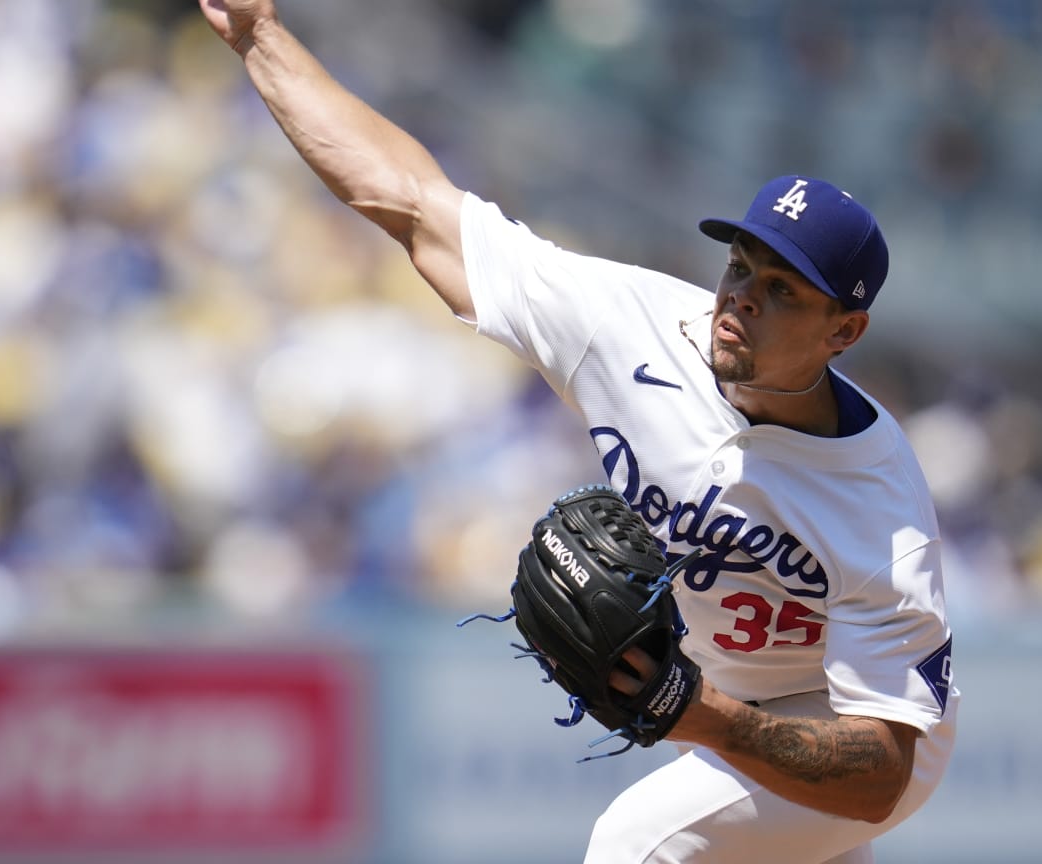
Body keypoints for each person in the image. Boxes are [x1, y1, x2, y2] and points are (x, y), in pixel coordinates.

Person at [198, 2, 958, 862]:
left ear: (843, 334)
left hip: (858, 731)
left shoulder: (879, 506)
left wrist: (702, 716)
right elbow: (414, 204)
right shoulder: (628, 324)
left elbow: (881, 774)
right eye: (740, 266)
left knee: (633, 844)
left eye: (784, 289)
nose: (742, 295)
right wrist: (260, 35)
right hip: (729, 707)